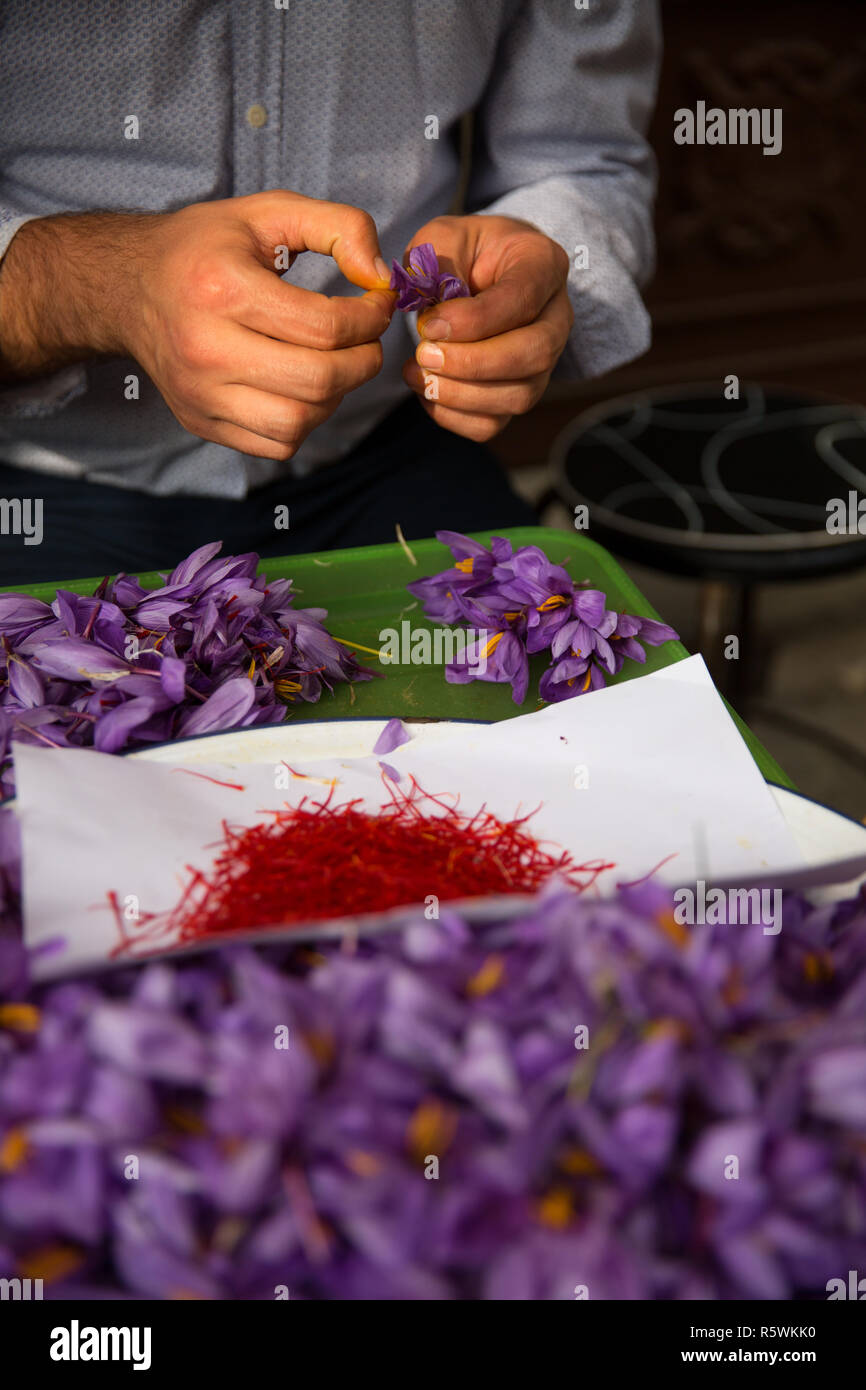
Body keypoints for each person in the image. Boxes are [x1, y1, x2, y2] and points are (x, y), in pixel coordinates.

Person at [0, 0, 660, 582]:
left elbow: (583, 160)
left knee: (578, 699)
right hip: (39, 479)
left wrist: (532, 253)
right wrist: (105, 286)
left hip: (386, 450)